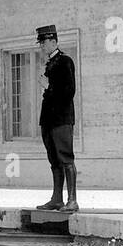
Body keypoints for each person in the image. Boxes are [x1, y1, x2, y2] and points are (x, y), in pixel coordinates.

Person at [36, 24, 77, 212]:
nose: (41, 46)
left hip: (61, 120)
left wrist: (48, 86)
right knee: (54, 159)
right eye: (41, 43)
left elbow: (68, 92)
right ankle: (57, 199)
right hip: (49, 120)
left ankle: (72, 200)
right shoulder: (51, 63)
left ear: (53, 41)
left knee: (66, 158)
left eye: (43, 42)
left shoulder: (65, 61)